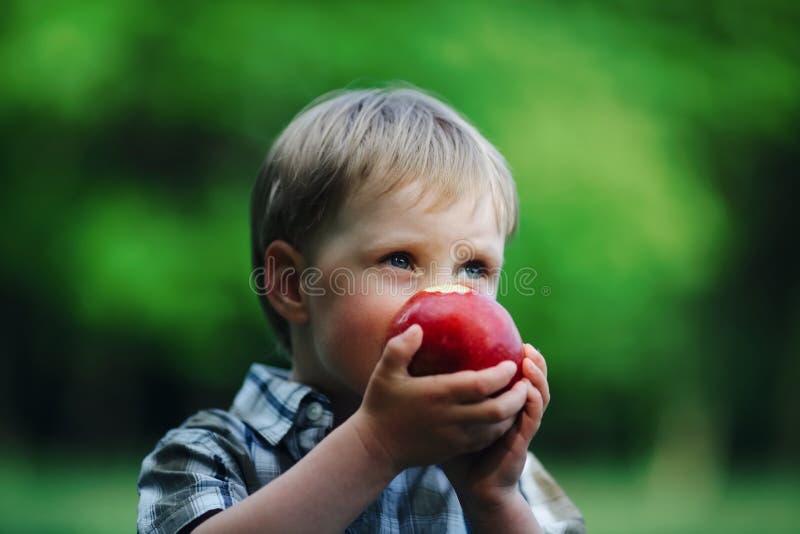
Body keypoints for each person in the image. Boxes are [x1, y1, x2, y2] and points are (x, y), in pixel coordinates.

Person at [137, 86, 585, 533]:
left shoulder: (507, 472)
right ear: (294, 284)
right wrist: (376, 447)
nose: (446, 295)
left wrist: (494, 503)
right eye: (399, 260)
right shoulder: (210, 454)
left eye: (474, 267)